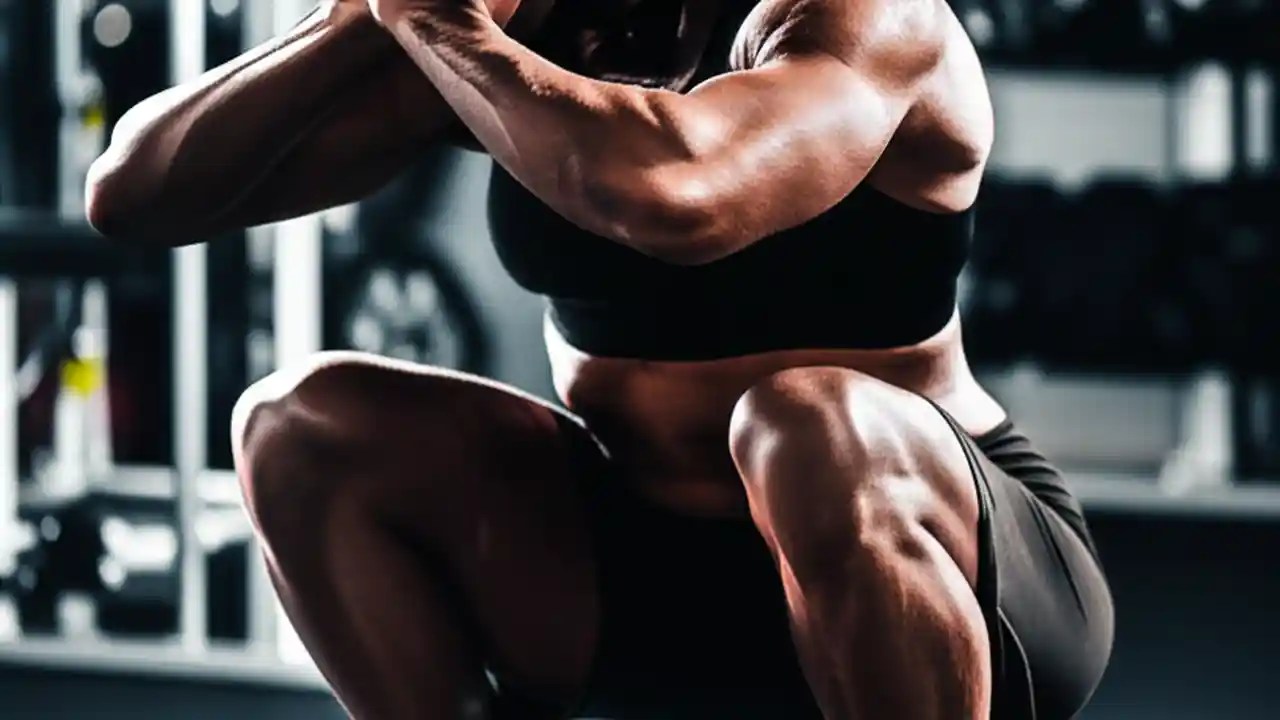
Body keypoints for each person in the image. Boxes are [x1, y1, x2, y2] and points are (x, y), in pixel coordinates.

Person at [85, 0, 1114, 717]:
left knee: (800, 422)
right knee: (301, 426)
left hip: (930, 563)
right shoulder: (542, 31)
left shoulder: (862, 20)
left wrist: (440, 22)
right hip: (643, 565)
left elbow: (675, 195)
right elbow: (137, 196)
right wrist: (365, 19)